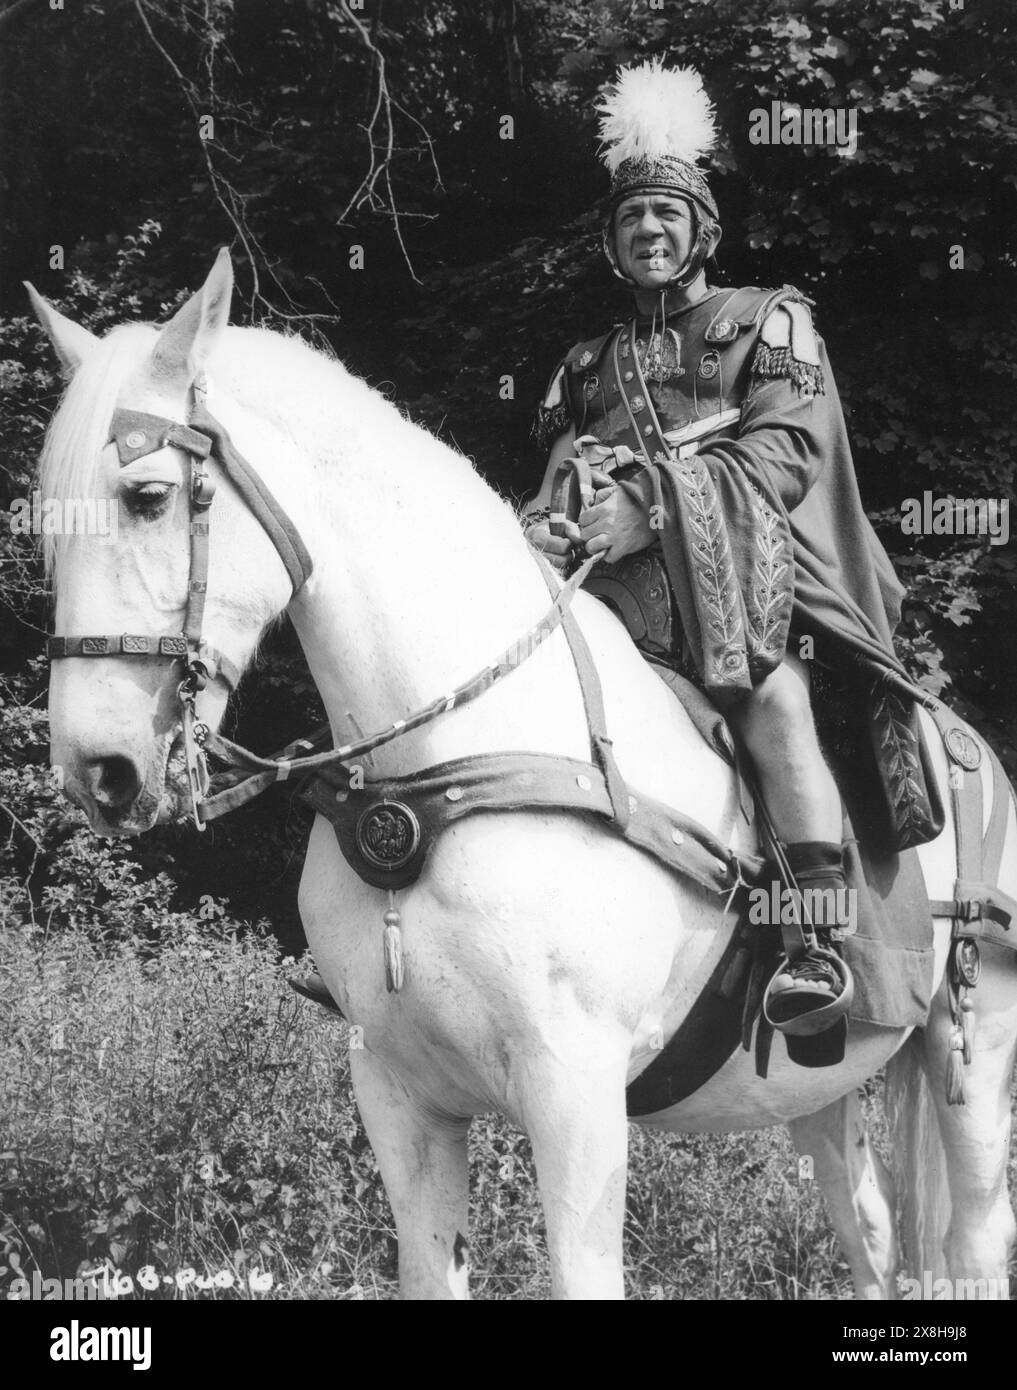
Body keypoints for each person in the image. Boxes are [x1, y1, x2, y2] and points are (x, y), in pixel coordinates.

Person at [522, 61, 935, 1058]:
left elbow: (788, 453)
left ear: (701, 229)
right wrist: (545, 524)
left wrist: (652, 513)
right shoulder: (585, 365)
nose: (649, 233)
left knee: (776, 697)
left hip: (747, 596)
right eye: (632, 222)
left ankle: (814, 945)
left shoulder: (770, 322)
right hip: (608, 602)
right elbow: (556, 481)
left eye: (666, 215)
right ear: (614, 245)